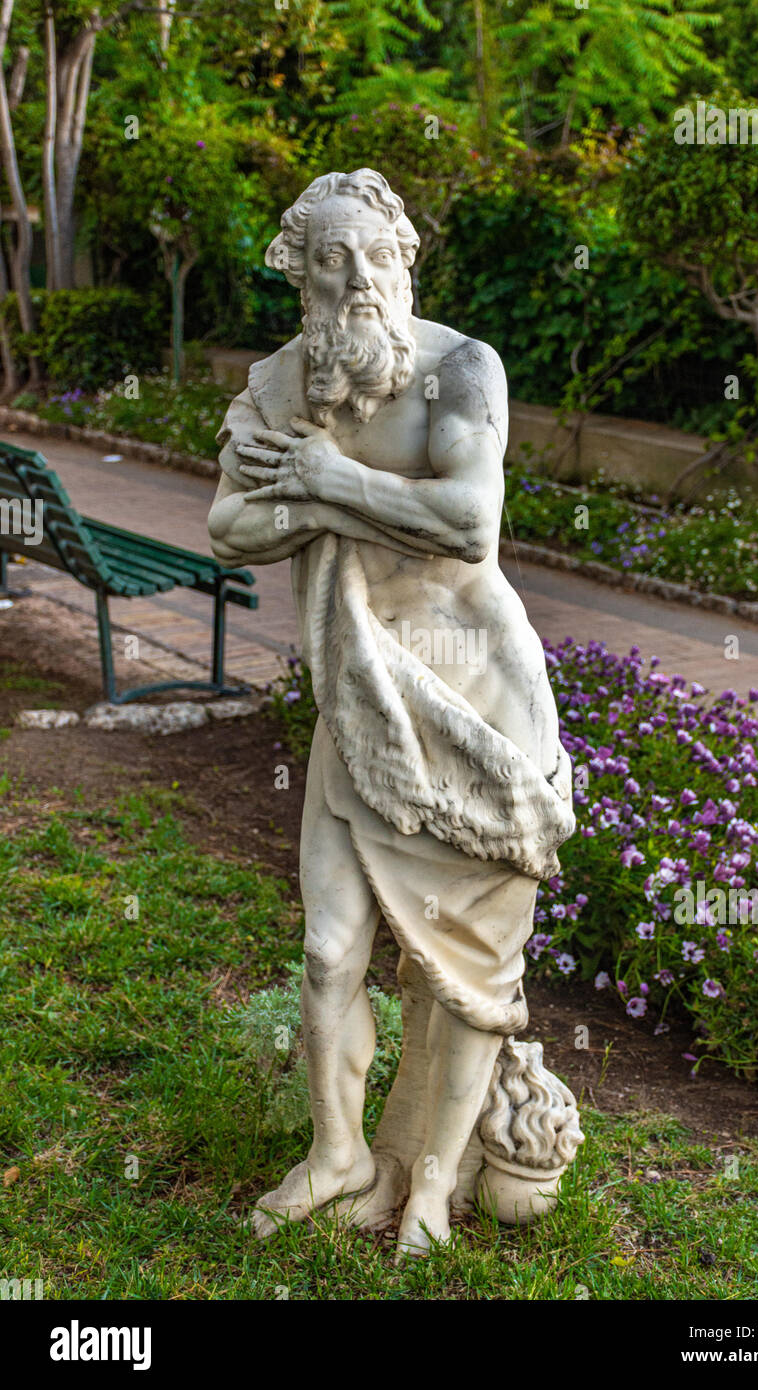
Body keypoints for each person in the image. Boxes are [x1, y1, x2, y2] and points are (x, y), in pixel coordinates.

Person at [208, 168, 575, 1256]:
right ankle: (336, 1153)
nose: (358, 277)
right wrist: (322, 484)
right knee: (329, 952)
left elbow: (467, 520)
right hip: (361, 706)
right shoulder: (279, 385)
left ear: (405, 257)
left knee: (462, 972)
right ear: (299, 273)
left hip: (480, 704)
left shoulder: (461, 368)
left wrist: (317, 480)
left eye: (376, 254)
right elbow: (230, 524)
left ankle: (425, 1181)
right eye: (330, 258)